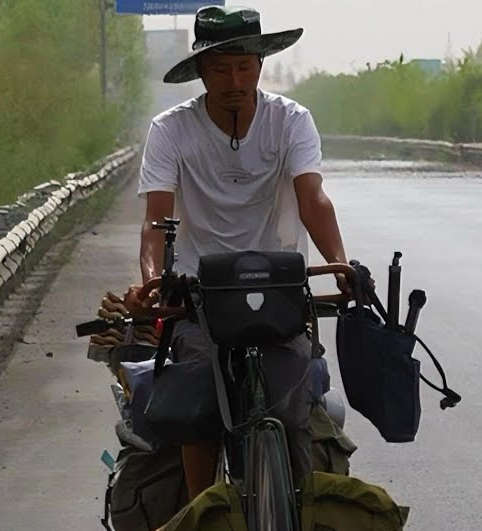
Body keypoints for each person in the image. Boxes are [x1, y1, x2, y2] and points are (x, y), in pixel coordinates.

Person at [127, 6, 349, 500]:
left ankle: (295, 521)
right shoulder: (171, 130)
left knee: (293, 406)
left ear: (260, 66)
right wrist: (154, 277)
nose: (234, 79)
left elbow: (313, 199)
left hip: (278, 287)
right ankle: (202, 515)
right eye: (221, 68)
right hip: (198, 291)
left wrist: (341, 263)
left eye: (244, 66)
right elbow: (155, 220)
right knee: (200, 405)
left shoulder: (291, 121)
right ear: (201, 72)